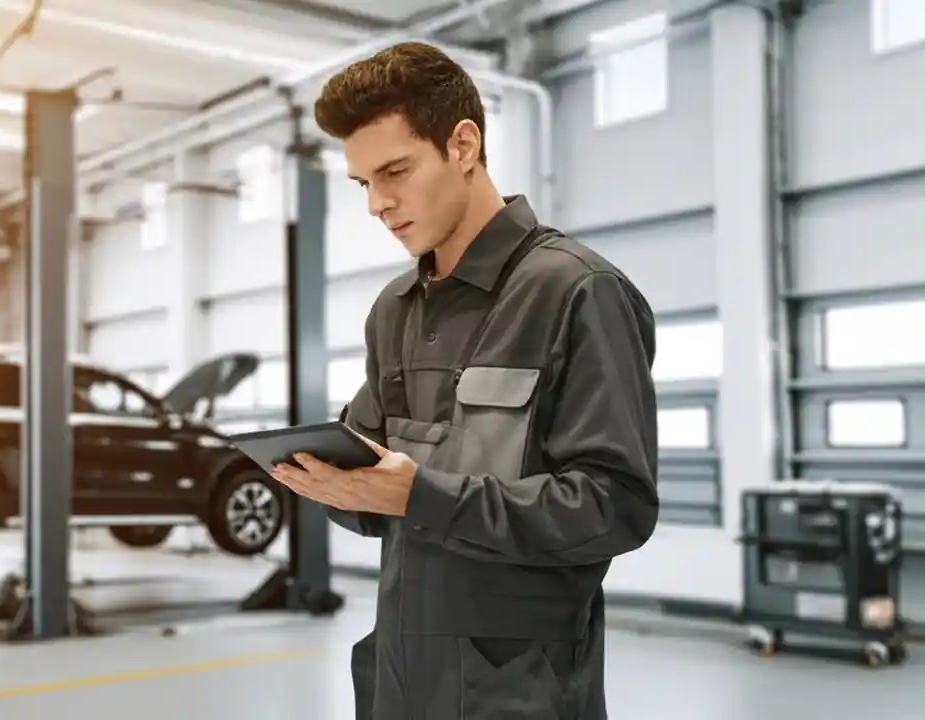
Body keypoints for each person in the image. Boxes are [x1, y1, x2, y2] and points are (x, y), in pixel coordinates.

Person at [266, 42, 660, 720]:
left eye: (395, 171)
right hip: (400, 681)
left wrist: (422, 495)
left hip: (518, 692)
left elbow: (614, 505)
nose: (378, 204)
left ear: (464, 144)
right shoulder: (395, 309)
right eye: (363, 184)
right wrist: (335, 484)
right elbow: (376, 488)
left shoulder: (576, 292)